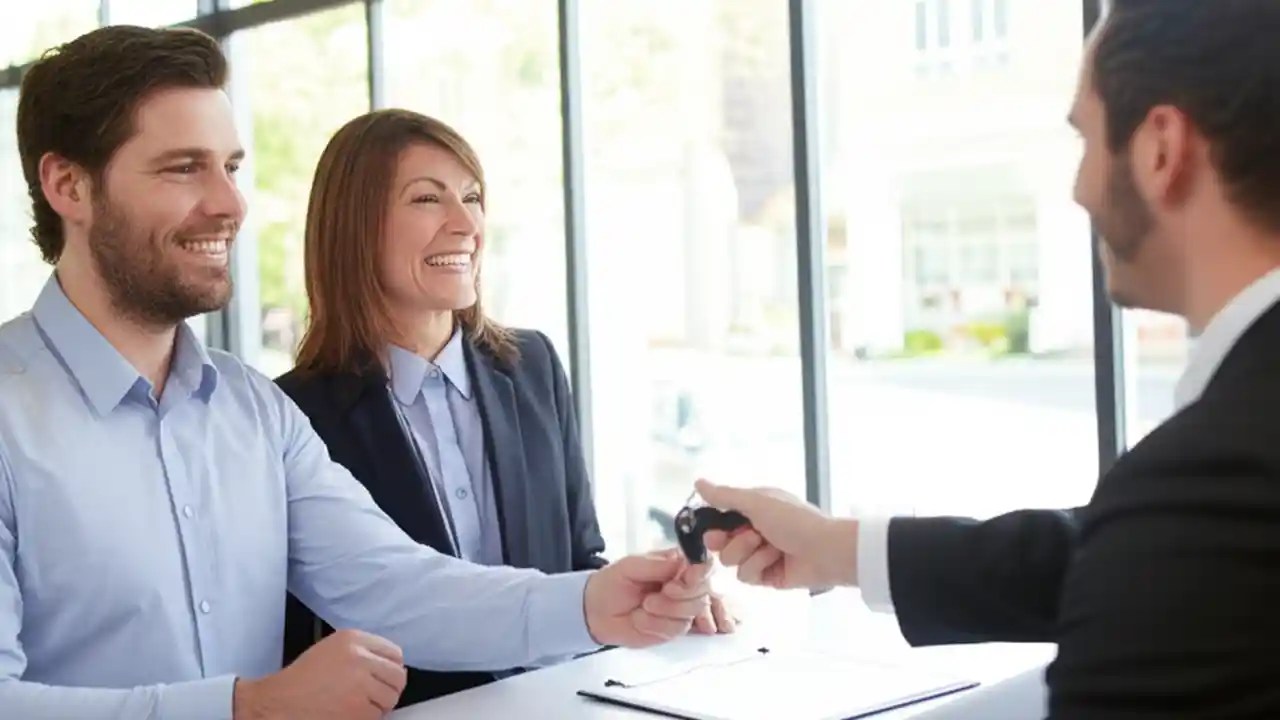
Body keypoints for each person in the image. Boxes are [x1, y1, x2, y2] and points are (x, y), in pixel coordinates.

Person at [0, 25, 714, 720]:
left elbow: (395, 587)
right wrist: (250, 708)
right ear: (69, 186)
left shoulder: (252, 408)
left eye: (231, 167)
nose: (229, 203)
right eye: (184, 168)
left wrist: (596, 603)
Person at [699, 1, 1280, 716]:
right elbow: (1128, 558)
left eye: (1087, 139)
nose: (1078, 188)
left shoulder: (1213, 473)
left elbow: (1162, 551)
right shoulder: (1210, 491)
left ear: (1161, 150)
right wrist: (837, 548)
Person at [274, 108, 737, 706]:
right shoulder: (293, 415)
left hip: (564, 701)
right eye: (427, 200)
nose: (466, 223)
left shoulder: (533, 365)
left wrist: (653, 603)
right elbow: (301, 632)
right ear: (354, 227)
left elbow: (578, 557)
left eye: (472, 197)